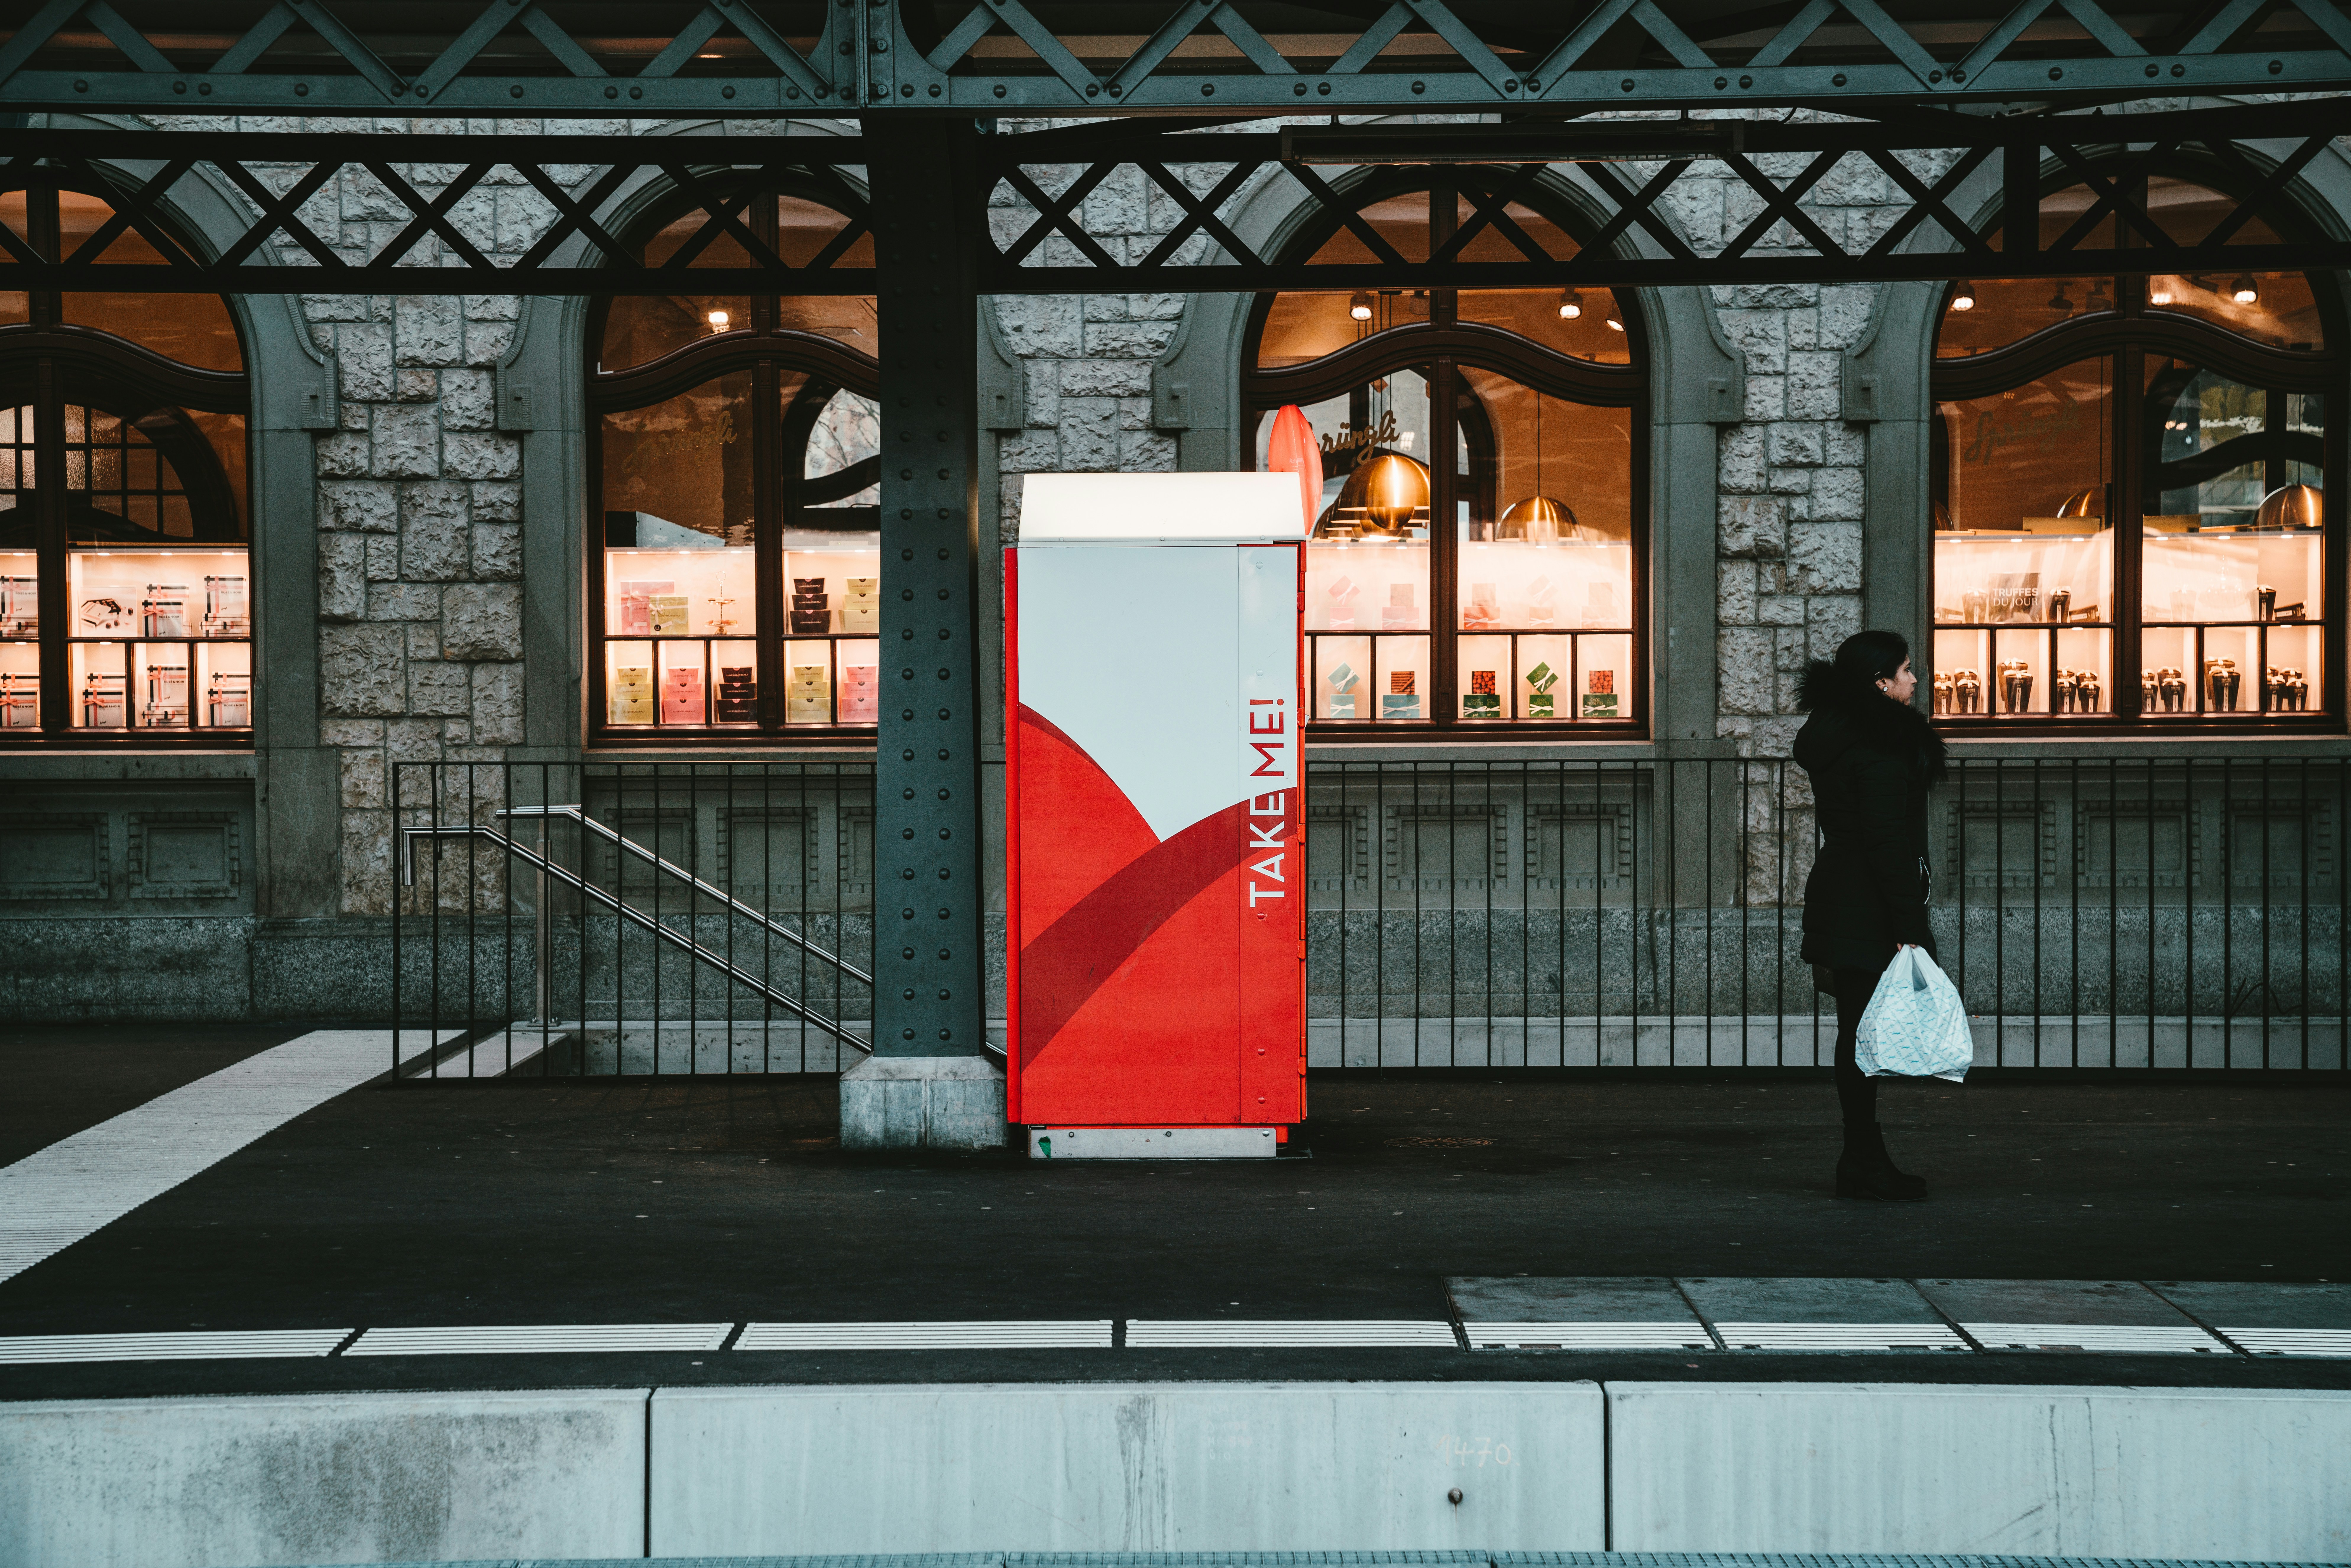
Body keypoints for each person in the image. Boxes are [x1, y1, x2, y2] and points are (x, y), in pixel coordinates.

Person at [1793, 629, 1948, 1201]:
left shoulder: (1839, 735)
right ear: (1880, 682)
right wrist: (1913, 930)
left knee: (1856, 1032)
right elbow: (1886, 841)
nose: (1914, 679)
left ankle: (1862, 1155)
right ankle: (1861, 1159)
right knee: (1861, 1036)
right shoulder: (1879, 745)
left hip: (1844, 893)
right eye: (1905, 671)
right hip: (1867, 903)